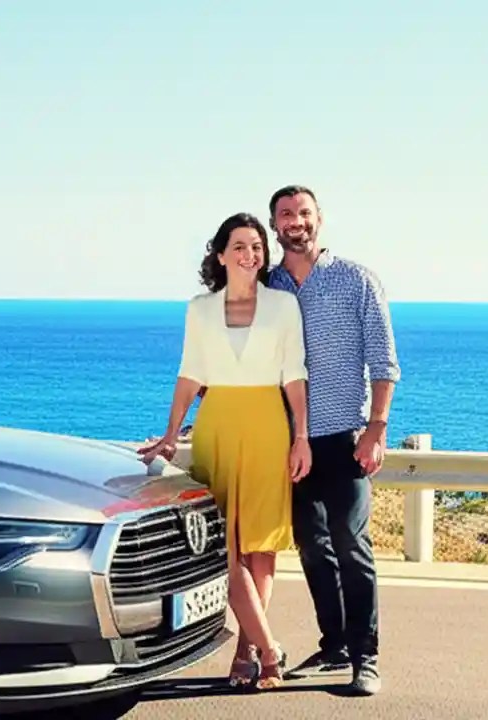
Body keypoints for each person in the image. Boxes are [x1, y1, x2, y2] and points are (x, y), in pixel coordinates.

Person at [138, 212, 311, 691]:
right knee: (222, 546)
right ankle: (271, 647)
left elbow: (294, 375)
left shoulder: (283, 306)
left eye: (256, 246)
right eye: (239, 245)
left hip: (267, 428)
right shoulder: (200, 309)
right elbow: (190, 374)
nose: (249, 253)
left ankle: (247, 653)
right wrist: (171, 434)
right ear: (220, 254)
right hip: (217, 427)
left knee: (260, 547)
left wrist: (302, 437)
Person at [265, 184, 399, 697]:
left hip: (345, 435)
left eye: (303, 212)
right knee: (310, 545)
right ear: (274, 224)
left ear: (319, 219)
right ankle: (334, 644)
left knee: (350, 543)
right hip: (287, 442)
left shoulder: (357, 280)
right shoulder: (267, 285)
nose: (294, 220)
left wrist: (376, 430)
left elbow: (384, 360)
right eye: (285, 214)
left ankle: (366, 656)